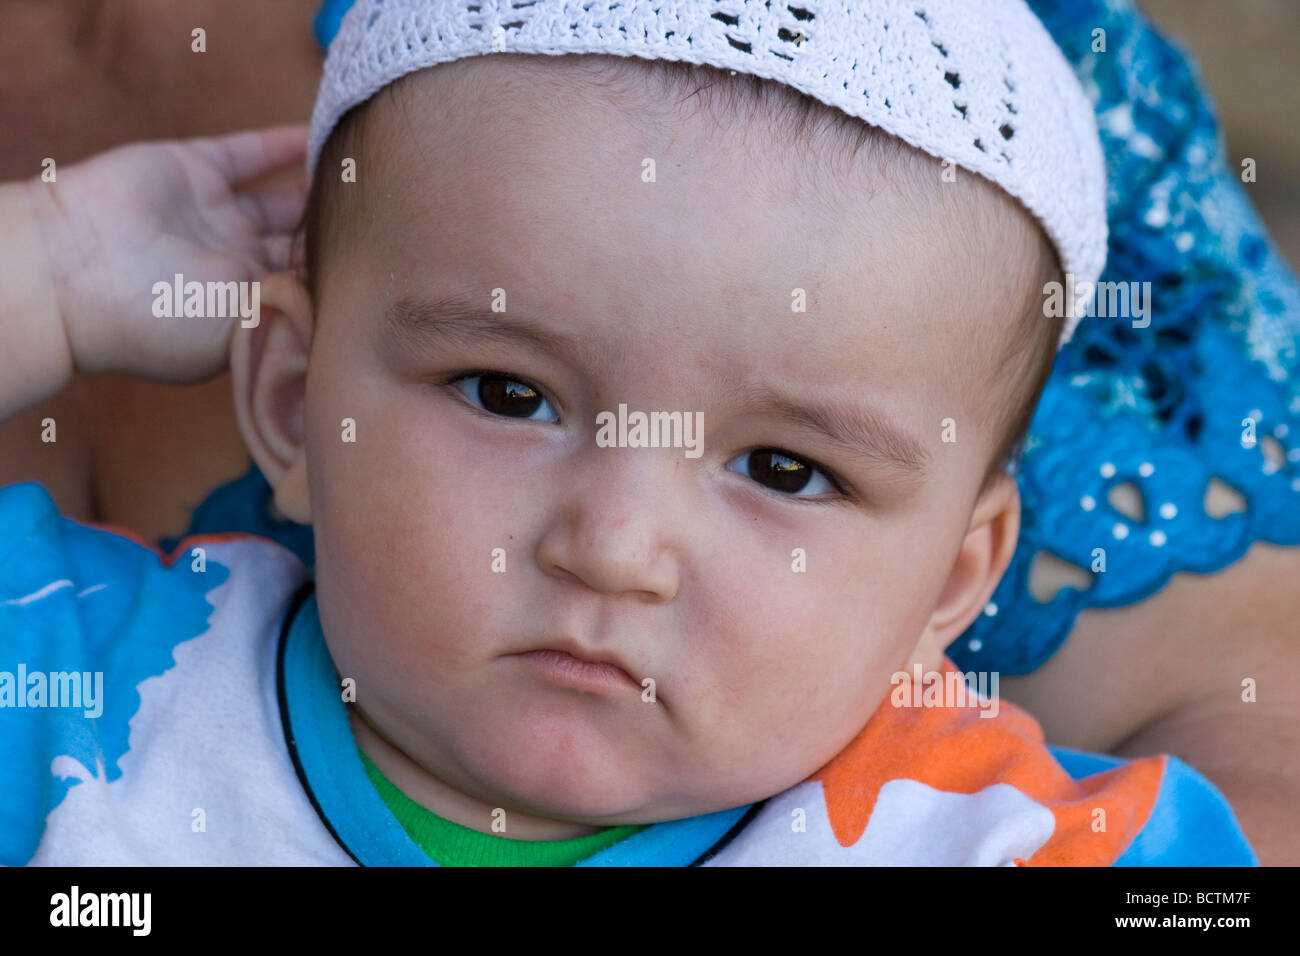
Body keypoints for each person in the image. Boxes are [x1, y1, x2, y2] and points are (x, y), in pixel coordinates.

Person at [0, 0, 1257, 865]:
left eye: (783, 467)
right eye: (506, 393)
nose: (613, 546)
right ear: (291, 401)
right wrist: (52, 271)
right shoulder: (81, 686)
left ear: (952, 576)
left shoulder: (994, 837)